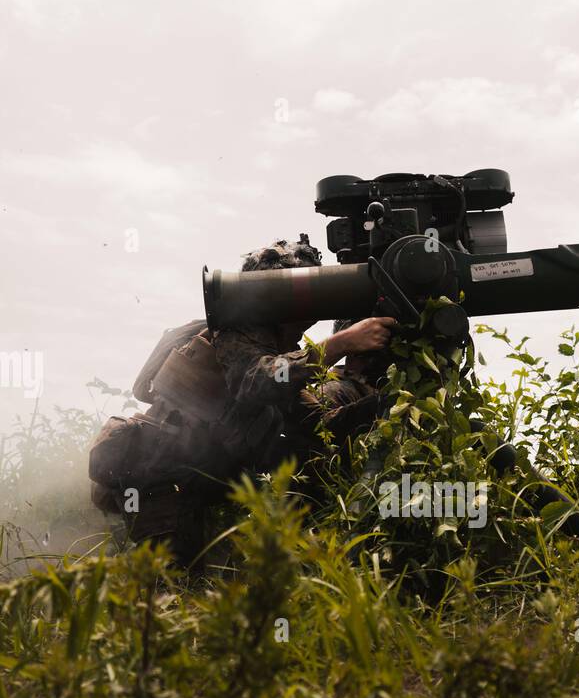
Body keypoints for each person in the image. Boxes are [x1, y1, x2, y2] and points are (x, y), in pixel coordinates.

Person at [88, 236, 395, 564]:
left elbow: (316, 428)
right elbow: (258, 382)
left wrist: (386, 401)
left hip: (193, 477)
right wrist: (340, 345)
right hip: (157, 476)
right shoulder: (235, 332)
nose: (312, 312)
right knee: (169, 590)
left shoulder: (265, 345)